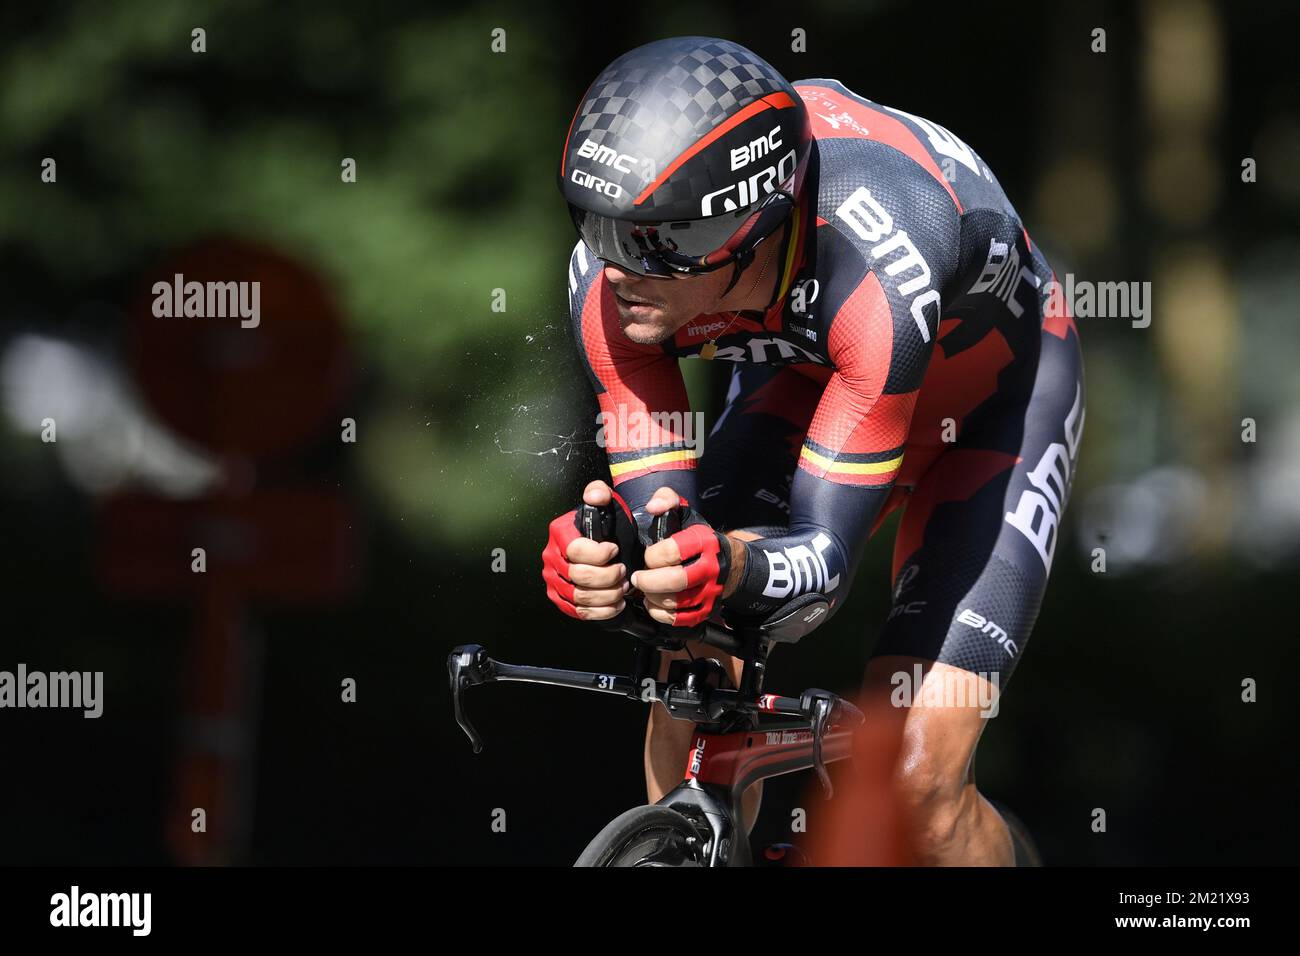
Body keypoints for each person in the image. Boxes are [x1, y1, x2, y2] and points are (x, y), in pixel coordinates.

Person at [541, 36, 1084, 865]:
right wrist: (620, 565)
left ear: (748, 226)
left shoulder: (882, 254)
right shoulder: (612, 280)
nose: (615, 268)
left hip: (991, 414)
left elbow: (822, 570)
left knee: (919, 792)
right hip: (806, 385)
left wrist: (725, 564)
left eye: (654, 239)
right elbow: (671, 525)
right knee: (692, 671)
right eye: (596, 221)